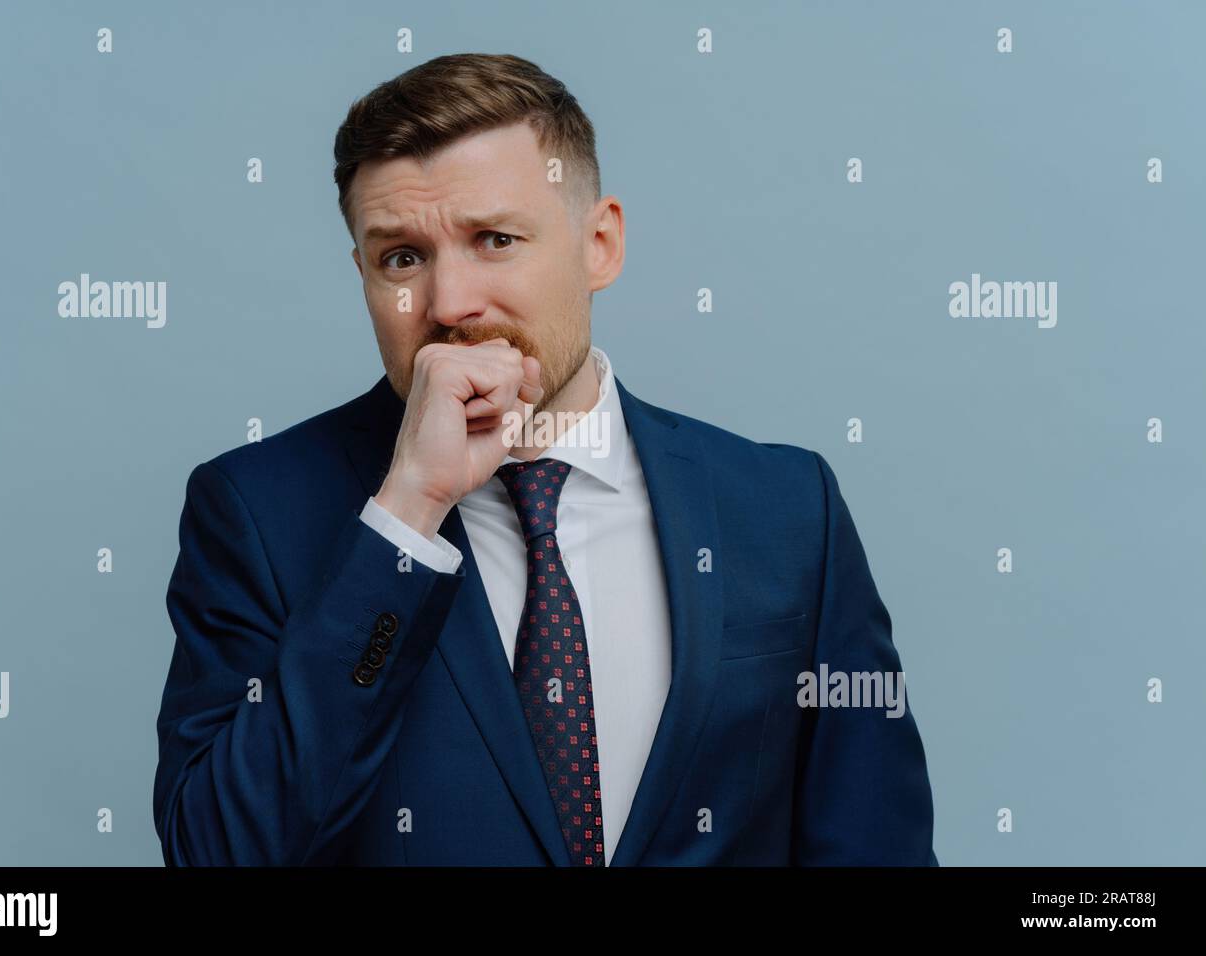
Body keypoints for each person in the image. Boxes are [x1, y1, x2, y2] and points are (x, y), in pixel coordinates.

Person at [152, 52, 937, 866]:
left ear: (599, 244)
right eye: (402, 258)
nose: (450, 303)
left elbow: (875, 844)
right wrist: (408, 513)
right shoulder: (254, 511)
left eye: (495, 239)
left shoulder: (785, 508)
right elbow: (217, 853)